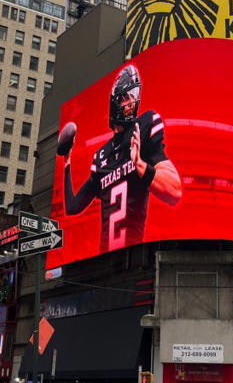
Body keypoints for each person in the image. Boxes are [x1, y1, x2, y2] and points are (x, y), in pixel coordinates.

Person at [60, 64, 182, 252]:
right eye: (125, 97)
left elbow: (175, 192)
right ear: (115, 101)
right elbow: (73, 207)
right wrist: (67, 161)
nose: (130, 102)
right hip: (104, 260)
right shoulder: (102, 155)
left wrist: (139, 165)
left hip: (133, 257)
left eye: (133, 96)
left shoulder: (142, 128)